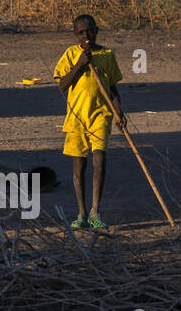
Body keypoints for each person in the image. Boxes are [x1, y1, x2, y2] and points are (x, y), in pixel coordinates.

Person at [53, 14, 126, 231]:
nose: (86, 36)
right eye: (81, 33)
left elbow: (112, 87)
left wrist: (119, 112)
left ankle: (96, 210)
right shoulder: (71, 54)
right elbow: (62, 85)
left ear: (97, 30)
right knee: (79, 168)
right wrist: (79, 65)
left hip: (100, 116)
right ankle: (82, 212)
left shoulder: (106, 55)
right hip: (76, 117)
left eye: (90, 31)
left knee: (99, 160)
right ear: (75, 35)